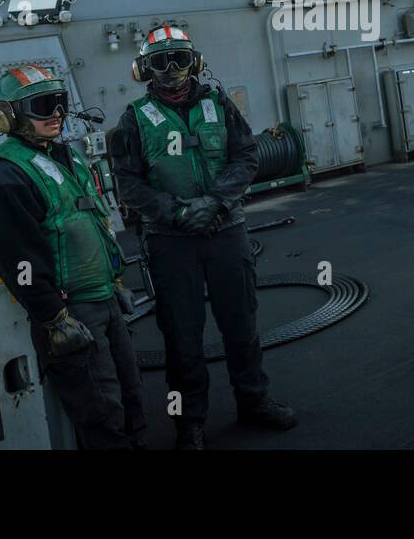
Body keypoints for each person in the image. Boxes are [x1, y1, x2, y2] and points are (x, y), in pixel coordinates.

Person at [110, 27, 296, 449]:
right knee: (181, 337)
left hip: (225, 231)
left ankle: (255, 400)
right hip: (169, 241)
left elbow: (245, 156)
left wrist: (215, 202)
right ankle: (188, 422)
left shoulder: (220, 106)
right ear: (144, 70)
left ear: (194, 62)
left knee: (241, 324)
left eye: (179, 58)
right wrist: (176, 212)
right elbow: (129, 184)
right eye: (161, 61)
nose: (172, 70)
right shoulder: (133, 120)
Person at [0, 63, 145, 449]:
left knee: (131, 397)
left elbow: (92, 221)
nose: (56, 114)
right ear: (8, 116)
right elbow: (18, 261)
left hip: (103, 300)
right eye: (42, 105)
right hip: (71, 314)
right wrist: (53, 318)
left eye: (60, 103)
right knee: (102, 413)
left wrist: (113, 279)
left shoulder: (65, 157)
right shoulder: (2, 176)